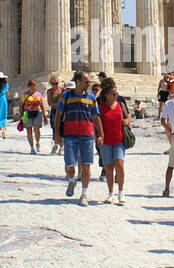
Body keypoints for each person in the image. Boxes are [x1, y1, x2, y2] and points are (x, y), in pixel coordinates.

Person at [54, 71, 103, 205]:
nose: (89, 84)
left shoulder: (92, 98)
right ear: (78, 82)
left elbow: (96, 117)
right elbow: (58, 116)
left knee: (86, 166)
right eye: (86, 81)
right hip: (70, 135)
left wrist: (100, 134)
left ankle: (84, 194)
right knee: (69, 165)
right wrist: (57, 135)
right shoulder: (66, 96)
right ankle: (71, 180)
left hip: (87, 135)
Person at [97, 79, 131, 204]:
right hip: (106, 141)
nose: (116, 96)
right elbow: (97, 123)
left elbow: (128, 116)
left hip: (119, 139)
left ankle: (121, 192)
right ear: (106, 95)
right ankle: (111, 193)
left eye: (116, 94)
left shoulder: (120, 105)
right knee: (109, 167)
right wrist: (98, 136)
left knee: (120, 165)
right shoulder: (101, 108)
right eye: (113, 94)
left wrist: (127, 121)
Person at [20, 79, 46, 153]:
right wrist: (21, 114)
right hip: (26, 113)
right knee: (29, 131)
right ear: (28, 86)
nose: (32, 87)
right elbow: (21, 105)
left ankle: (38, 142)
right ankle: (32, 147)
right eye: (31, 86)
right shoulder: (25, 95)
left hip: (37, 113)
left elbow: (42, 105)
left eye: (34, 86)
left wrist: (45, 115)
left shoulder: (39, 95)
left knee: (37, 129)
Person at [46, 75, 64, 155]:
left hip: (62, 112)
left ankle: (61, 146)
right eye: (52, 83)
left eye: (56, 83)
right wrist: (60, 104)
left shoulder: (63, 90)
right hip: (54, 112)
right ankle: (56, 144)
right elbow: (50, 103)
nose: (54, 85)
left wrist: (57, 104)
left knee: (62, 128)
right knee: (54, 128)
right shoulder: (49, 91)